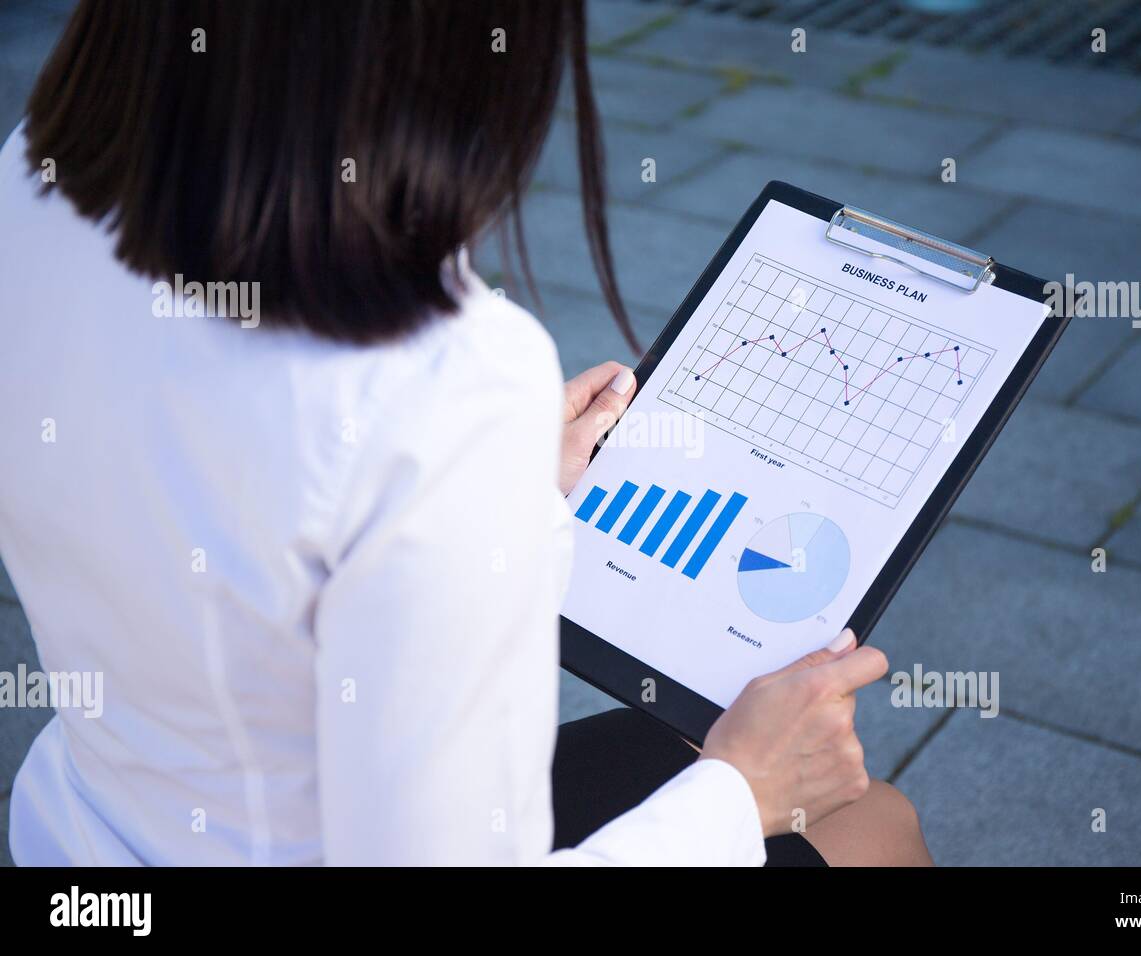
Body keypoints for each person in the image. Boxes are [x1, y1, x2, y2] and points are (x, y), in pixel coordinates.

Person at [0, 0, 931, 866]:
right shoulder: (440, 377)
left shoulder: (27, 182)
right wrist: (743, 794)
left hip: (88, 835)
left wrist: (494, 501)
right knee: (873, 824)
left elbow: (237, 512)